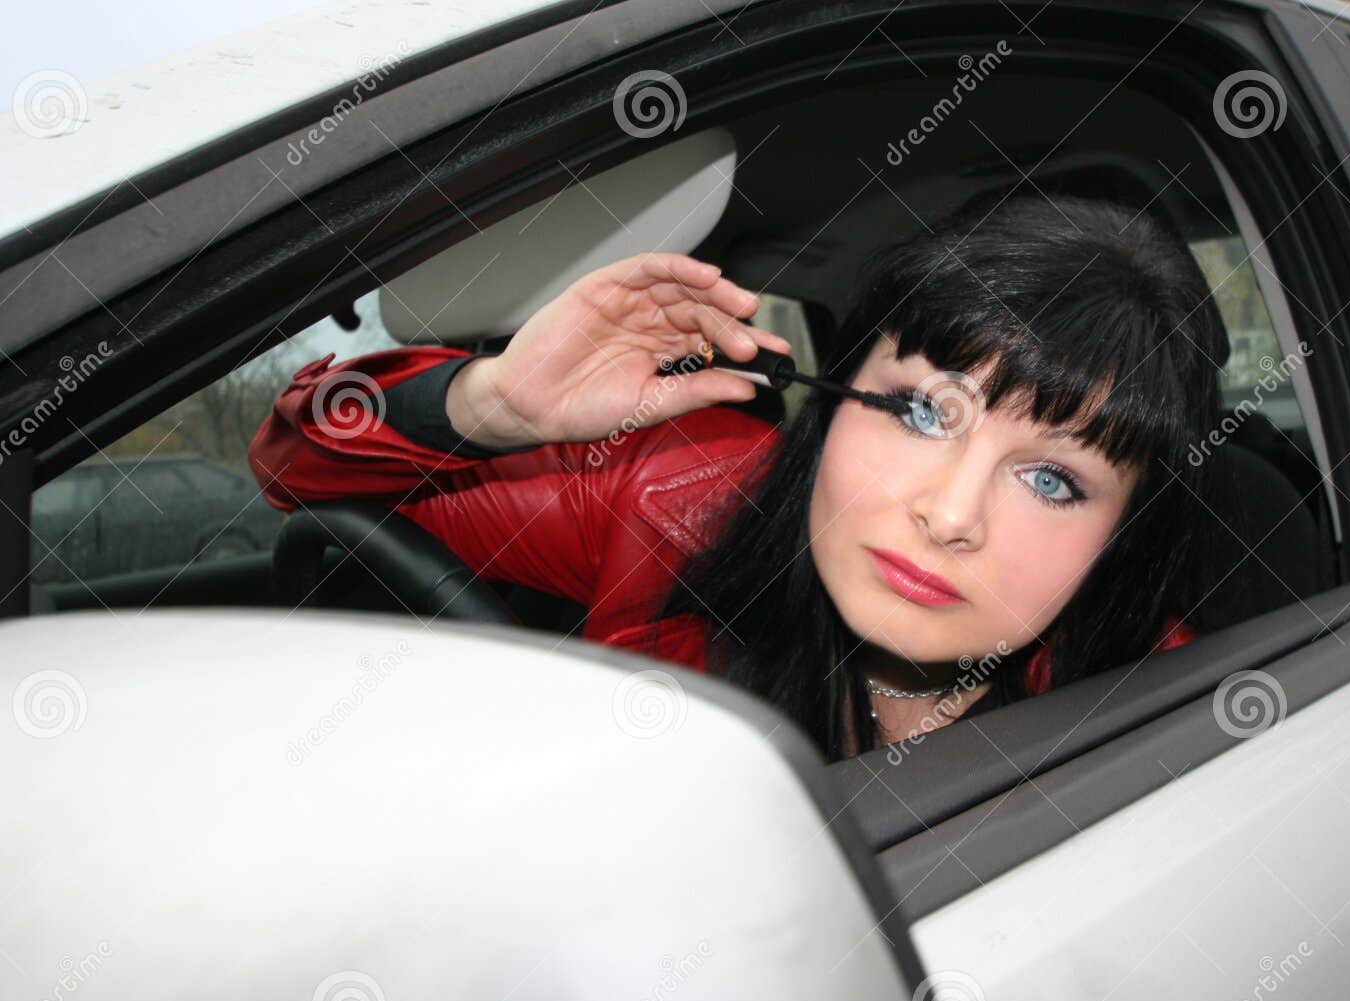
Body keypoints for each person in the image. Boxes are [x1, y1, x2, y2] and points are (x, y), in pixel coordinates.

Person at [250, 189, 1226, 761]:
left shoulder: (1158, 722)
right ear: (836, 392)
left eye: (1051, 481)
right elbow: (302, 475)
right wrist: (486, 405)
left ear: (1121, 531)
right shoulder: (677, 495)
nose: (947, 513)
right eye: (923, 412)